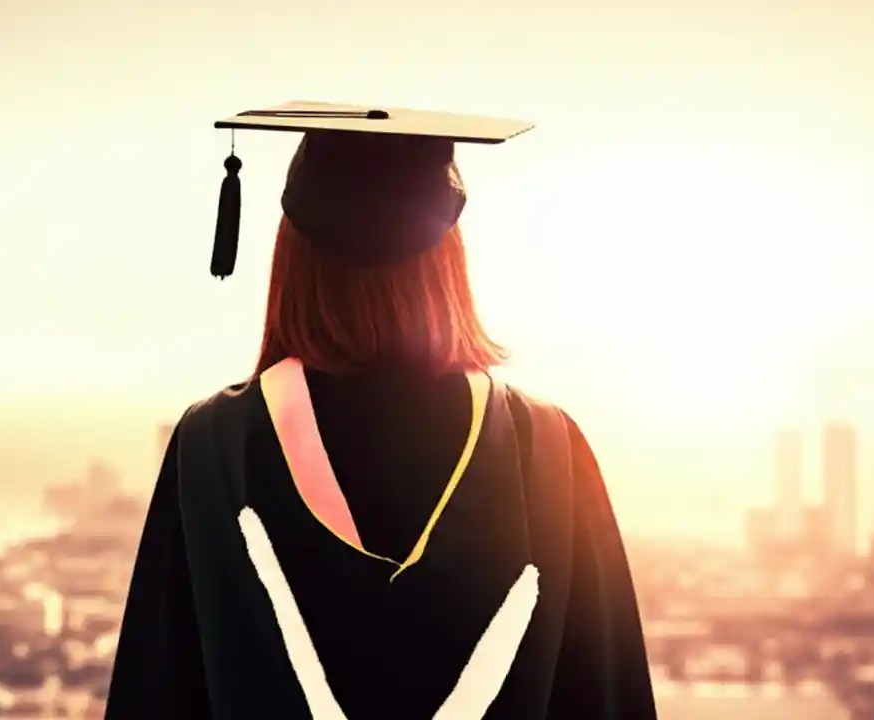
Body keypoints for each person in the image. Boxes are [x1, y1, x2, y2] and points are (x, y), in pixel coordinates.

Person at [105, 102, 657, 719]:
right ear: (448, 259)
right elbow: (604, 697)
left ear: (291, 256)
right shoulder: (547, 448)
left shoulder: (214, 446)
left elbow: (159, 693)